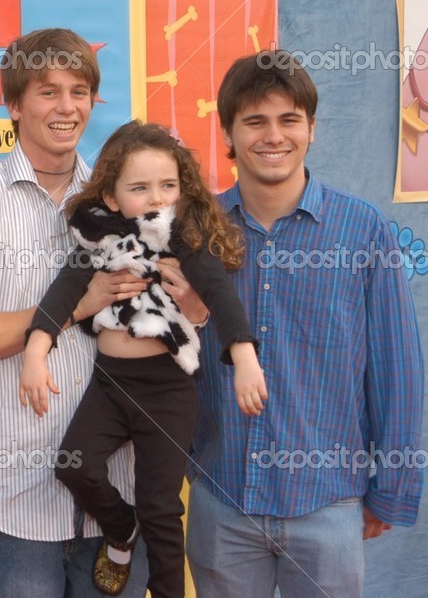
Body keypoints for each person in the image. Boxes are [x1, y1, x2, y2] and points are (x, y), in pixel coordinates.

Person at [0, 28, 207, 597]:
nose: (67, 106)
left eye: (79, 90)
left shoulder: (128, 191)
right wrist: (80, 303)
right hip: (16, 507)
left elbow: (191, 313)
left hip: (118, 498)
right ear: (13, 104)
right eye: (47, 91)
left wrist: (190, 300)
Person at [184, 50, 424, 597]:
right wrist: (194, 464)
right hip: (223, 502)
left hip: (328, 505)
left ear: (311, 129)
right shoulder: (199, 232)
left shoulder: (362, 230)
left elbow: (397, 369)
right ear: (228, 131)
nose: (274, 136)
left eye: (289, 119)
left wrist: (391, 487)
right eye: (255, 121)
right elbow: (171, 353)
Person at [21, 120, 264, 597]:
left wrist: (244, 357)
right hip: (110, 384)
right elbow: (65, 291)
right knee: (74, 464)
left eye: (167, 186)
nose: (156, 199)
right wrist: (35, 349)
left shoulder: (180, 238)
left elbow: (219, 292)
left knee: (162, 507)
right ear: (112, 197)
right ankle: (119, 527)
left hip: (167, 390)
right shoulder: (99, 241)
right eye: (140, 188)